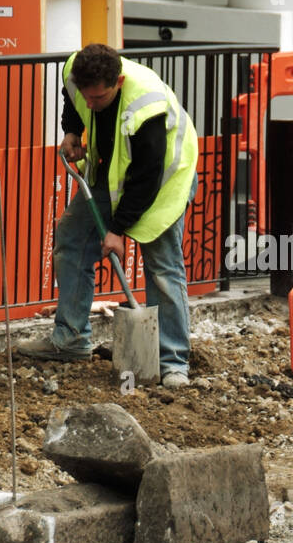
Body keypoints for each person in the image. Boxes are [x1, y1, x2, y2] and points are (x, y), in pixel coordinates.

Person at [17, 43, 196, 388]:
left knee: (162, 268)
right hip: (111, 173)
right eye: (88, 97)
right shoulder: (76, 73)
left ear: (120, 81)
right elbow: (72, 100)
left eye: (99, 99)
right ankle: (70, 339)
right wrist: (71, 130)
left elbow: (147, 176)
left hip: (163, 184)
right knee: (70, 239)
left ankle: (173, 361)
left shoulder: (147, 106)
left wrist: (116, 230)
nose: (91, 105)